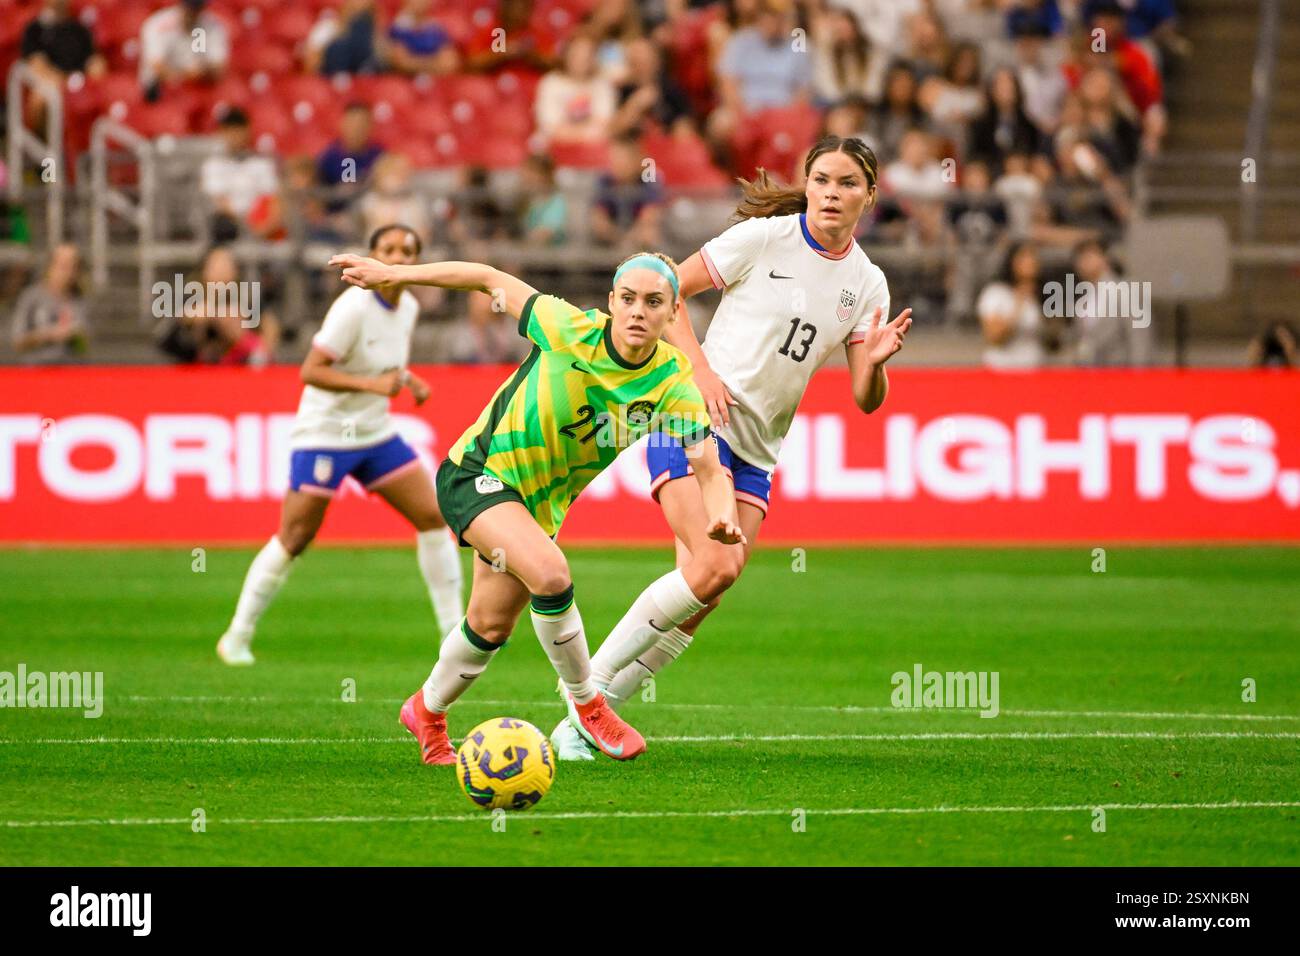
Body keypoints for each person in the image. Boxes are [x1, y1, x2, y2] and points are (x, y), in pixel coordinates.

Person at [553, 135, 913, 759]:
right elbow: (669, 289)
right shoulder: (764, 239)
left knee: (704, 595)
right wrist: (697, 369)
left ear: (869, 196)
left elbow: (865, 398)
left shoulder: (869, 284)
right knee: (716, 566)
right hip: (691, 415)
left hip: (759, 447)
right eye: (822, 179)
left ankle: (596, 716)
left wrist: (876, 365)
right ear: (809, 183)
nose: (832, 192)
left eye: (848, 183)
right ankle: (586, 701)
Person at [326, 249, 747, 764]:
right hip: (477, 474)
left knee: (488, 626)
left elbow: (708, 469)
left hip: (536, 512)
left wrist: (722, 513)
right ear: (612, 302)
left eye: (654, 302)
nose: (639, 311)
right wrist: (395, 274)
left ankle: (426, 711)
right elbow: (485, 276)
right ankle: (589, 705)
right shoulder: (565, 326)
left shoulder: (673, 383)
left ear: (673, 311)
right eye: (629, 299)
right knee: (551, 576)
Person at [215, 225, 463, 665]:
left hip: (374, 432)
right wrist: (375, 384)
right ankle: (237, 634)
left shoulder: (406, 305)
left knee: (431, 516)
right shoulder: (352, 308)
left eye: (408, 250)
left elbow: (381, 363)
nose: (399, 257)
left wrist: (406, 380)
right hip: (326, 434)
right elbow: (311, 370)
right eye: (389, 249)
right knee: (295, 536)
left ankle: (452, 633)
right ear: (372, 255)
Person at [10, 242, 89, 364]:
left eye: (74, 266)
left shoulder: (79, 299)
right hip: (37, 369)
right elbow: (17, 341)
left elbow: (85, 344)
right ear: (50, 266)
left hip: (70, 370)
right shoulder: (32, 297)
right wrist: (49, 334)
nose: (69, 272)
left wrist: (76, 336)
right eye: (64, 266)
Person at [139, 0, 229, 100]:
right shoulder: (158, 24)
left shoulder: (212, 25)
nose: (192, 12)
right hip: (160, 90)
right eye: (190, 7)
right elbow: (157, 67)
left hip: (198, 89)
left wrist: (202, 71)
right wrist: (186, 75)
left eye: (197, 7)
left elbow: (218, 68)